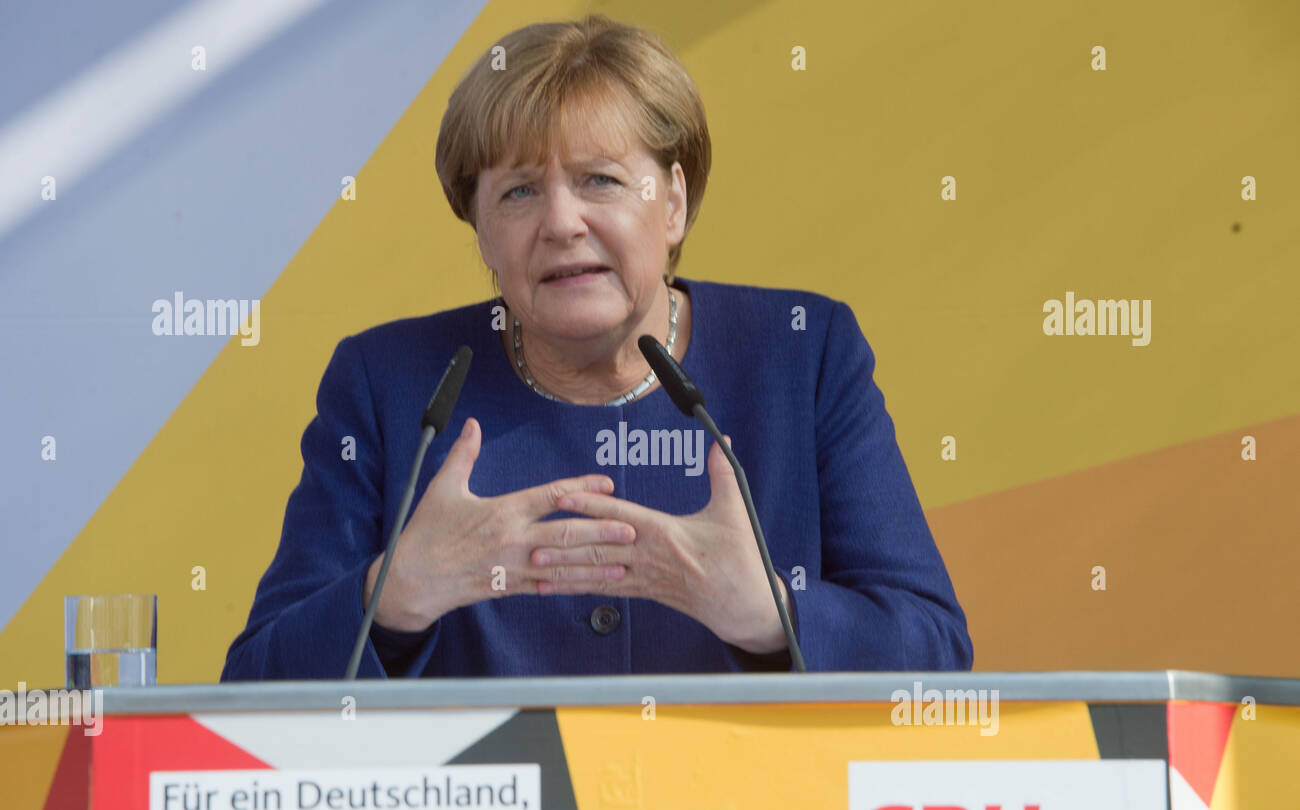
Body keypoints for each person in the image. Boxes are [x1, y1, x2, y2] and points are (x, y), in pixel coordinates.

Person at [222, 15, 973, 680]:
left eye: (600, 180)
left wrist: (771, 613)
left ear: (672, 202)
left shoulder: (802, 357)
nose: (561, 222)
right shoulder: (389, 386)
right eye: (518, 192)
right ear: (479, 229)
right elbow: (251, 688)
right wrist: (388, 600)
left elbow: (936, 655)